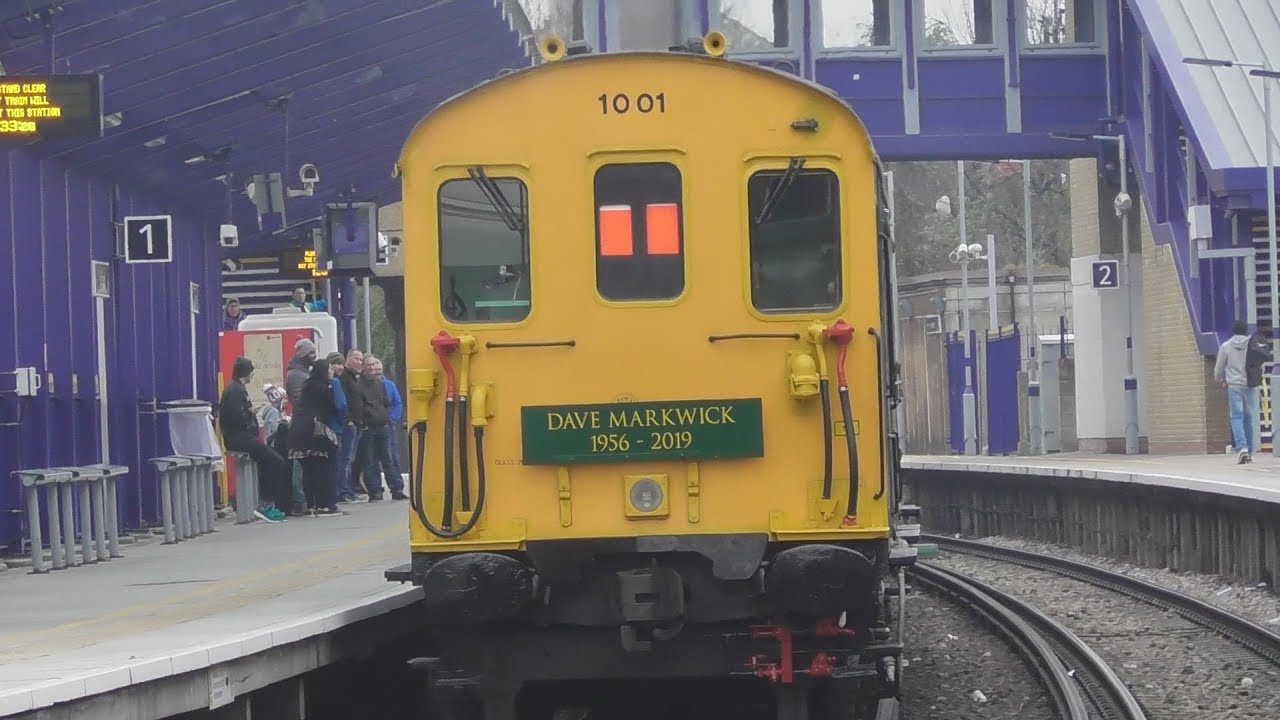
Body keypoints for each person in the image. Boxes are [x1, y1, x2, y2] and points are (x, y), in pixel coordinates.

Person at [217, 357, 288, 521]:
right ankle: (266, 504)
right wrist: (249, 413)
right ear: (247, 373)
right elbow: (234, 416)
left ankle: (264, 503)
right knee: (274, 460)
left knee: (268, 460)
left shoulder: (234, 389)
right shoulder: (236, 391)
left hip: (238, 436)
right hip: (240, 437)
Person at [288, 358, 348, 517]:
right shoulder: (324, 388)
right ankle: (326, 505)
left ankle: (311, 504)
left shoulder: (307, 386)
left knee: (309, 469)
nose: (331, 372)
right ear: (323, 371)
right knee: (326, 467)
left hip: (299, 430)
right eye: (329, 369)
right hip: (316, 431)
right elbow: (336, 407)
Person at [359, 355, 407, 501]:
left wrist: (389, 419)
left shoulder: (383, 384)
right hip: (368, 426)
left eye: (374, 365)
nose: (372, 368)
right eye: (369, 365)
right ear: (363, 367)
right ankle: (375, 491)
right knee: (370, 460)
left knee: (389, 458)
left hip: (383, 425)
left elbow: (391, 403)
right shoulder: (358, 384)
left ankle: (397, 488)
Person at [1215, 320, 1262, 464]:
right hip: (1250, 384)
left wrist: (1219, 379)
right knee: (1249, 417)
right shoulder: (1252, 344)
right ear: (1245, 330)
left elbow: (1219, 367)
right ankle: (1249, 450)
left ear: (1233, 331)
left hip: (1234, 386)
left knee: (1236, 417)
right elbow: (1260, 361)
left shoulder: (1226, 346)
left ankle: (1241, 448)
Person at [336, 348, 369, 503]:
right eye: (356, 358)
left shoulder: (356, 378)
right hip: (349, 424)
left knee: (351, 459)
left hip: (358, 423)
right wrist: (348, 419)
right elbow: (343, 402)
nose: (359, 362)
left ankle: (348, 489)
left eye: (361, 359)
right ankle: (343, 491)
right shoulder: (343, 378)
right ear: (348, 359)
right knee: (345, 458)